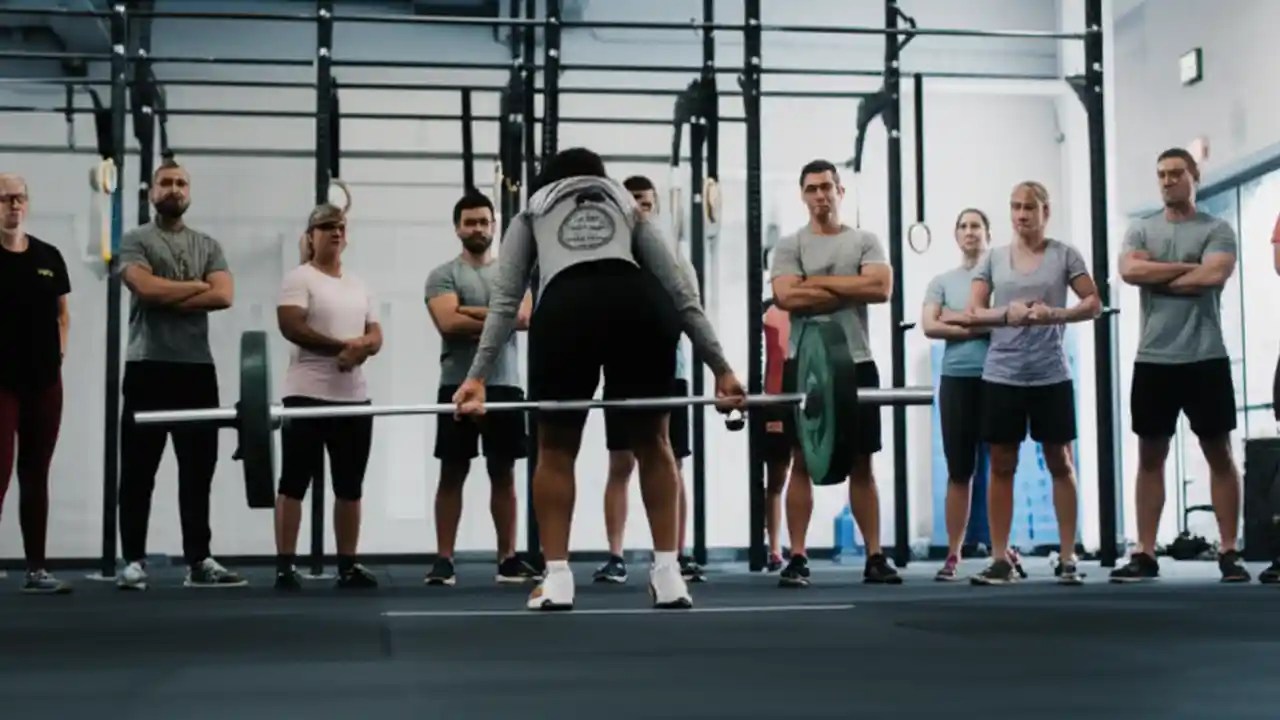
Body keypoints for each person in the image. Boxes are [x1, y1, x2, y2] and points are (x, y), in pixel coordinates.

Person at [452, 147, 745, 612]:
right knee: (655, 442)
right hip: (640, 306)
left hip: (567, 309)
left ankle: (559, 578)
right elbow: (679, 291)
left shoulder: (531, 212)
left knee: (555, 448)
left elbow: (506, 301)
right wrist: (722, 369)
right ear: (599, 177)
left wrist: (476, 379)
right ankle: (669, 576)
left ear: (547, 181)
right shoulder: (626, 206)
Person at [1112, 148, 1250, 583]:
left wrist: (1161, 274)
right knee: (1150, 456)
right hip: (1154, 358)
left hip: (1205, 356)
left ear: (1194, 176)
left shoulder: (1217, 228)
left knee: (1219, 453)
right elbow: (1130, 272)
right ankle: (1146, 551)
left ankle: (1229, 550)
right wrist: (1186, 268)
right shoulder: (1141, 229)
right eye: (1161, 175)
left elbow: (1214, 276)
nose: (1168, 181)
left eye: (1176, 173)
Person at [954, 181, 1100, 586]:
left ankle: (1068, 556)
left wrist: (1057, 314)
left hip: (1050, 372)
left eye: (1029, 208)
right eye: (1015, 207)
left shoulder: (1065, 254)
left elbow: (1093, 303)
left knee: (1060, 461)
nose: (1021, 215)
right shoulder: (994, 259)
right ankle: (1001, 558)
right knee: (1002, 464)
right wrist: (1007, 313)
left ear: (1045, 212)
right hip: (1002, 374)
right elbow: (973, 312)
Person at [770, 159, 901, 587]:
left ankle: (875, 556)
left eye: (827, 187)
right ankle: (798, 557)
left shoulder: (864, 240)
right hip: (804, 364)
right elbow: (787, 297)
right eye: (812, 189)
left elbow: (880, 288)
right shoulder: (790, 246)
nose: (820, 195)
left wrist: (819, 287)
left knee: (863, 462)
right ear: (803, 195)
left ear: (840, 191)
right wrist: (849, 285)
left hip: (856, 362)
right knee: (801, 461)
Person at [116, 158, 245, 590]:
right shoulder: (134, 240)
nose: (174, 189)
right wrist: (197, 288)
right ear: (152, 192)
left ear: (189, 193)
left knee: (197, 471)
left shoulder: (208, 245)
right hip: (147, 366)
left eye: (181, 183)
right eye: (166, 183)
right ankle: (133, 560)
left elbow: (224, 296)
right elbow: (146, 291)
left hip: (195, 369)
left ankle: (199, 560)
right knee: (138, 470)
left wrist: (171, 294)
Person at [593, 174, 705, 585]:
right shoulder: (611, 261)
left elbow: (689, 310)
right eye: (631, 200)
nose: (638, 206)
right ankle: (616, 555)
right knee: (621, 463)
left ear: (654, 205)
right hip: (619, 371)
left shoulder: (674, 257)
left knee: (671, 462)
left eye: (644, 200)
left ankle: (675, 554)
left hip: (668, 372)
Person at [424, 192, 539, 586]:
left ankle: (507, 558)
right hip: (457, 384)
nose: (477, 228)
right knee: (452, 471)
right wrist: (497, 316)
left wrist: (469, 311)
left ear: (494, 226)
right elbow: (448, 324)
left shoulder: (513, 272)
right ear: (457, 227)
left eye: (484, 222)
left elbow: (523, 318)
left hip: (505, 385)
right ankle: (444, 560)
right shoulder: (442, 274)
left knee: (503, 472)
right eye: (470, 222)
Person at [273, 203, 382, 590]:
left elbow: (376, 334)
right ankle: (285, 566)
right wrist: (342, 347)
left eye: (340, 227)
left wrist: (361, 348)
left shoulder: (359, 284)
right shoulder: (299, 278)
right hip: (306, 397)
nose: (335, 232)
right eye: (326, 227)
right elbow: (291, 326)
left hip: (353, 400)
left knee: (350, 486)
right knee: (293, 483)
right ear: (312, 236)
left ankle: (347, 566)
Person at [0, 173, 71, 594]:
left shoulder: (49, 256)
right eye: (6, 198)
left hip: (44, 379)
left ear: (28, 204)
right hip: (1, 381)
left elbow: (63, 315)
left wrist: (59, 354)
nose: (13, 206)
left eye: (19, 198)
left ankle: (36, 570)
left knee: (36, 474)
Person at [761, 293, 791, 572]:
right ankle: (773, 549)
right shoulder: (769, 312)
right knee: (776, 480)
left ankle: (799, 549)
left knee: (803, 469)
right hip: (774, 400)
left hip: (805, 394)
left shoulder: (812, 311)